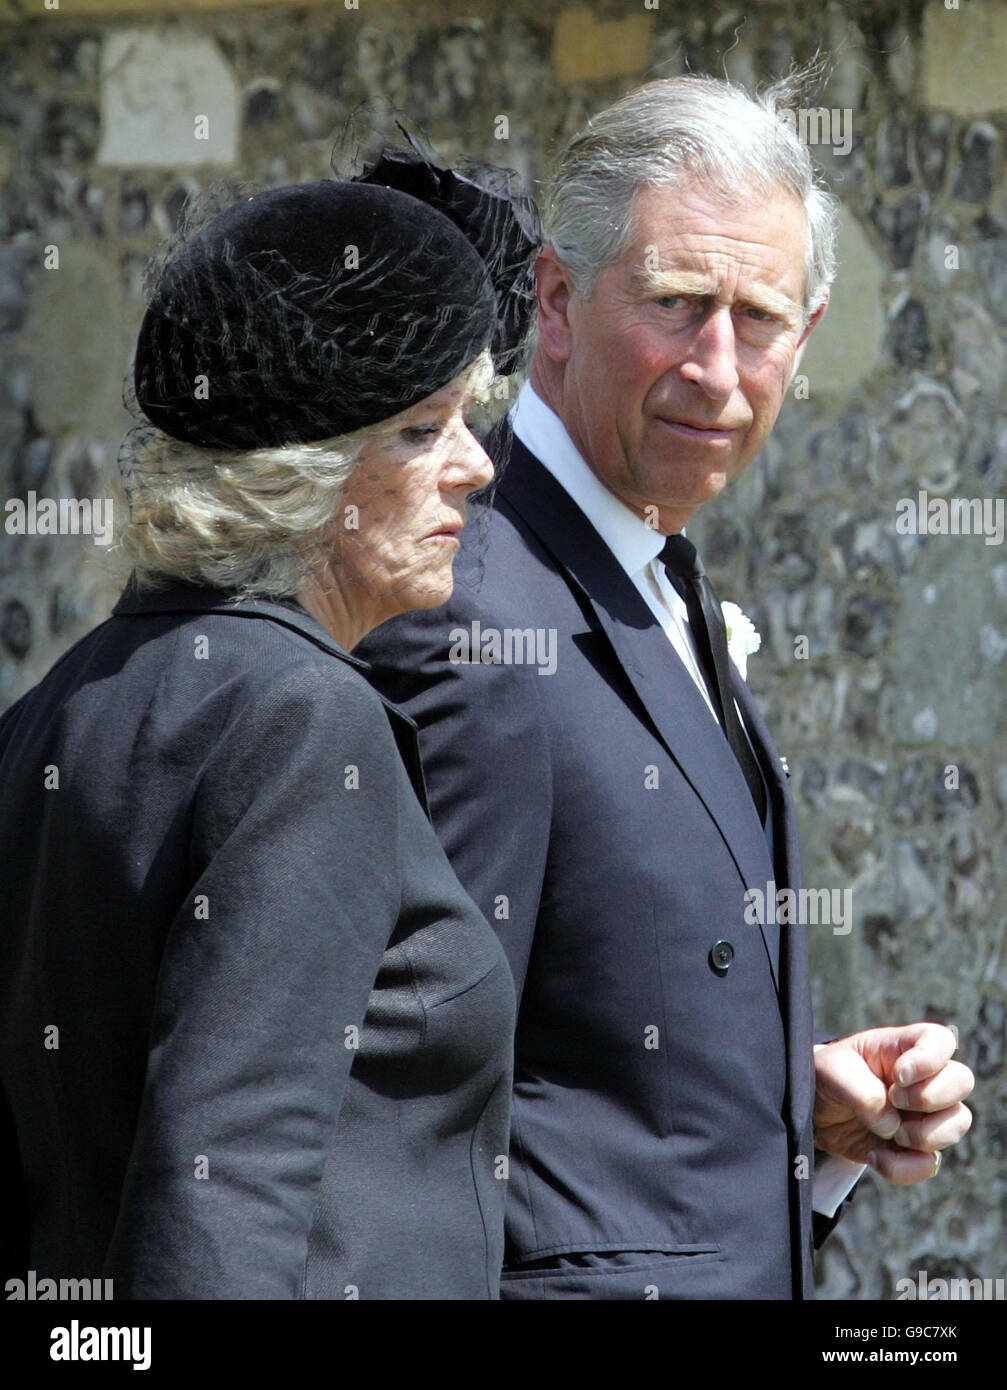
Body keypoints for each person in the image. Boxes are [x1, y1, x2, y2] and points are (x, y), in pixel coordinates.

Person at [355, 74, 975, 1298]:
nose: (716, 369)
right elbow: (403, 1097)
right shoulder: (466, 605)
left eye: (758, 320)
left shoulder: (650, 567)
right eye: (677, 304)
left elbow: (585, 1057)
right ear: (554, 301)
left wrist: (795, 1122)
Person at [0, 145, 540, 1299]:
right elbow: (224, 1183)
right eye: (420, 428)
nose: (473, 468)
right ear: (302, 474)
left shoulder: (58, 705)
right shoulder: (305, 720)